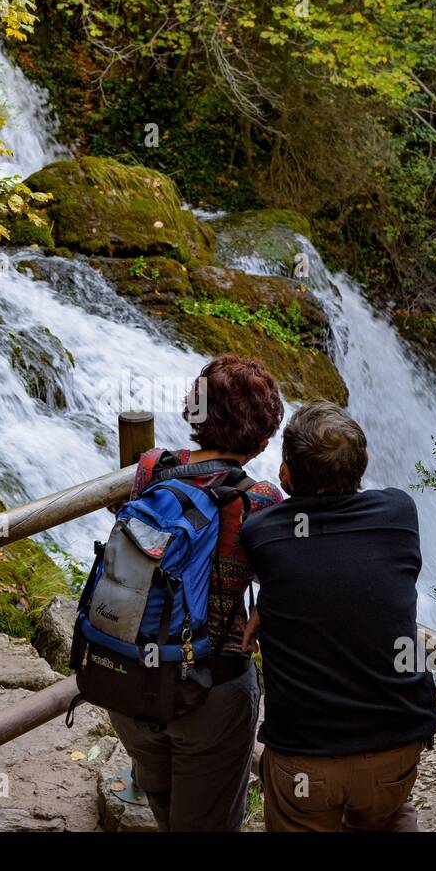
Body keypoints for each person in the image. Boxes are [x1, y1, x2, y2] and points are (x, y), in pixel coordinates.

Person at [239, 400, 436, 832]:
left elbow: (300, 563)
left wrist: (264, 602)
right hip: (397, 743)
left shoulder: (261, 534)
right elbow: (336, 566)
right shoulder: (400, 514)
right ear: (362, 464)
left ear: (287, 472)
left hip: (306, 760)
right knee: (386, 816)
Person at [107, 353, 284, 832]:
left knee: (164, 804)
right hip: (211, 688)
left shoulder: (149, 470)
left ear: (194, 413)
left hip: (130, 679)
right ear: (263, 435)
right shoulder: (261, 501)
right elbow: (290, 579)